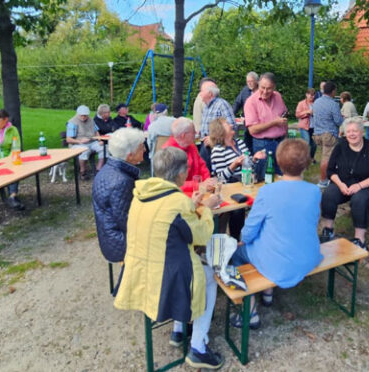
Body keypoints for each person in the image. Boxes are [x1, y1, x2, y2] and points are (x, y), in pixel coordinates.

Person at [114, 147, 224, 370]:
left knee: (179, 257)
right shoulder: (177, 202)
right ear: (182, 174)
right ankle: (198, 347)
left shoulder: (141, 195)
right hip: (165, 277)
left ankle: (178, 329)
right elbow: (200, 235)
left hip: (139, 270)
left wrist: (191, 205)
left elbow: (166, 220)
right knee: (209, 276)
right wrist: (208, 209)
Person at [230, 138, 322, 329]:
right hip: (309, 256)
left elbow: (249, 231)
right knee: (268, 239)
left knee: (234, 255)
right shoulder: (314, 191)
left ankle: (251, 312)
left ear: (279, 162)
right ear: (307, 163)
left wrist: (241, 242)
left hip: (278, 263)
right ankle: (268, 294)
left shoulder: (268, 192)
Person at [320, 118, 369, 249]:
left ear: (362, 132)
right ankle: (328, 230)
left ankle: (359, 240)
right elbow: (330, 171)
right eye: (348, 131)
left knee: (358, 199)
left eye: (355, 131)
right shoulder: (340, 146)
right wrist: (340, 184)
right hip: (345, 185)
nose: (351, 134)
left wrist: (359, 186)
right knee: (329, 193)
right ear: (345, 133)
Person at [92, 128, 146, 264]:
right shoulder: (121, 181)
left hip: (110, 236)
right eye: (141, 147)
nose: (145, 149)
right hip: (119, 243)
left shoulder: (110, 168)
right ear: (130, 155)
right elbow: (129, 222)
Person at [208, 118, 265, 240]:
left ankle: (255, 237)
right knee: (238, 211)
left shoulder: (240, 142)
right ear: (220, 130)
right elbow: (220, 178)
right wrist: (233, 165)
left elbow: (249, 165)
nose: (231, 125)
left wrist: (254, 159)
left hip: (247, 184)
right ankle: (236, 239)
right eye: (227, 124)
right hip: (231, 190)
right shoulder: (218, 151)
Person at [243, 72, 288, 179]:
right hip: (262, 144)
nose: (265, 91)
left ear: (274, 87)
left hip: (280, 142)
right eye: (262, 87)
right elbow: (252, 130)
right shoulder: (251, 102)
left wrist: (286, 138)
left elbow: (284, 116)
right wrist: (274, 122)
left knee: (282, 174)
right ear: (258, 84)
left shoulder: (278, 96)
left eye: (269, 88)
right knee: (266, 177)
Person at [162, 118, 213, 193]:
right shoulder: (168, 154)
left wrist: (208, 181)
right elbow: (172, 184)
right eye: (193, 131)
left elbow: (202, 166)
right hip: (180, 195)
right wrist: (198, 185)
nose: (196, 133)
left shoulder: (191, 146)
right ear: (183, 135)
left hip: (199, 191)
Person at [312, 81, 344, 188]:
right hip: (329, 134)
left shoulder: (316, 102)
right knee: (326, 159)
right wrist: (343, 117)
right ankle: (323, 181)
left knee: (324, 156)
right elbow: (338, 121)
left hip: (317, 133)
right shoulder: (333, 104)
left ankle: (329, 178)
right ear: (333, 91)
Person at [66, 105, 105, 180]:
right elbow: (68, 139)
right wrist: (79, 141)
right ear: (78, 114)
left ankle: (98, 170)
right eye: (82, 115)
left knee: (103, 148)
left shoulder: (91, 120)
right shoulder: (72, 122)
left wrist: (100, 140)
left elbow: (96, 131)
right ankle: (82, 171)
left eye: (85, 115)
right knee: (85, 150)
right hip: (77, 144)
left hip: (92, 141)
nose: (83, 117)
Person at [233, 72, 259, 151]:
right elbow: (237, 103)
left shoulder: (262, 91)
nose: (249, 83)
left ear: (257, 81)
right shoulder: (245, 90)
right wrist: (231, 114)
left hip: (259, 123)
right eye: (248, 81)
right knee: (247, 145)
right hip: (247, 123)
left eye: (251, 81)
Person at [295, 88, 317, 161]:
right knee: (306, 143)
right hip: (304, 127)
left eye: (313, 95)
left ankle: (311, 158)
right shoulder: (301, 103)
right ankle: (303, 159)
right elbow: (297, 115)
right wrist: (307, 112)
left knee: (314, 145)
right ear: (306, 95)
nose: (312, 97)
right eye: (310, 95)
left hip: (314, 127)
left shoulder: (316, 103)